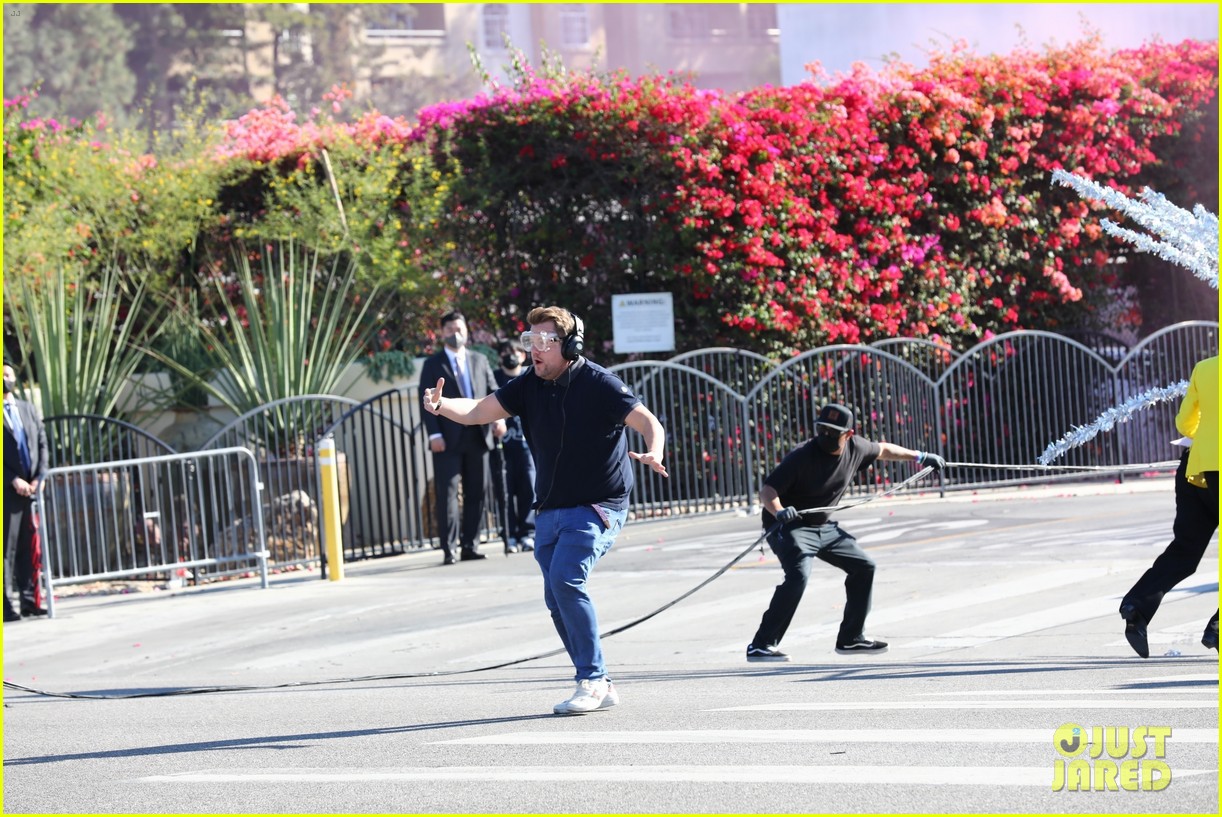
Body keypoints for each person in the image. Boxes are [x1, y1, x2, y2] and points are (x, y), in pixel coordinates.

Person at [424, 305, 667, 715]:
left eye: (544, 341)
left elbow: (647, 422)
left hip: (597, 504)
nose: (534, 349)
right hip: (551, 508)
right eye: (529, 340)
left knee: (567, 580)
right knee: (556, 597)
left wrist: (655, 450)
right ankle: (600, 680)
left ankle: (591, 680)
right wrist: (441, 405)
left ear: (570, 346)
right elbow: (479, 411)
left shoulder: (600, 383)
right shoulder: (527, 385)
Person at [745, 403, 945, 661]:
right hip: (789, 526)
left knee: (864, 566)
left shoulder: (857, 448)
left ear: (848, 434)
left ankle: (851, 638)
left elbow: (883, 449)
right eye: (821, 430)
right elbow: (767, 491)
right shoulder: (802, 456)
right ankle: (761, 644)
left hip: (823, 527)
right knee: (798, 576)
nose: (825, 436)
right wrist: (780, 510)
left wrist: (920, 456)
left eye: (832, 432)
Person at [1120, 354, 1218, 657]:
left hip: (1196, 469)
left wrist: (1208, 436)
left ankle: (1137, 606)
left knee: (1185, 550)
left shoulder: (1205, 368)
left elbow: (1184, 423)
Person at [419, 311, 505, 565]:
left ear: (467, 330)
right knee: (447, 494)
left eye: (459, 328)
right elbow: (426, 400)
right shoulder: (432, 364)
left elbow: (493, 392)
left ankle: (470, 545)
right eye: (449, 330)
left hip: (479, 435)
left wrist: (499, 419)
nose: (455, 334)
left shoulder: (480, 360)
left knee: (477, 492)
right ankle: (449, 549)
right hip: (447, 439)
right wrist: (434, 434)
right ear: (442, 333)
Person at [3, 363, 49, 622]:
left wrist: (40, 476)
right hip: (7, 493)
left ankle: (30, 601)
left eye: (7, 374)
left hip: (30, 490)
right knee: (6, 551)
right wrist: (12, 479)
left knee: (28, 548)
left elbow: (41, 442)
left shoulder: (27, 409)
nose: (4, 379)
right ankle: (5, 606)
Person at [491, 338, 537, 554]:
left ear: (523, 355)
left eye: (515, 351)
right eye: (505, 352)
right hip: (502, 448)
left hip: (527, 447)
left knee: (529, 489)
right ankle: (509, 535)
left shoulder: (531, 376)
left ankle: (528, 533)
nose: (510, 356)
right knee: (505, 492)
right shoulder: (494, 379)